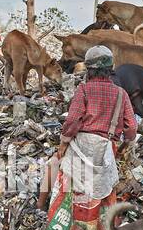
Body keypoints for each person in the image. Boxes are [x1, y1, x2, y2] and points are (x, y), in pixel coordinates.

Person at [54, 45, 137, 203]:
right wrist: (126, 144)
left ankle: (44, 207)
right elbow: (132, 127)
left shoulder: (83, 89)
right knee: (106, 186)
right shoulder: (121, 93)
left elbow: (72, 120)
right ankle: (106, 221)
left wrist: (64, 143)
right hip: (107, 146)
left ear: (88, 69)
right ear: (111, 68)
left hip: (80, 145)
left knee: (58, 168)